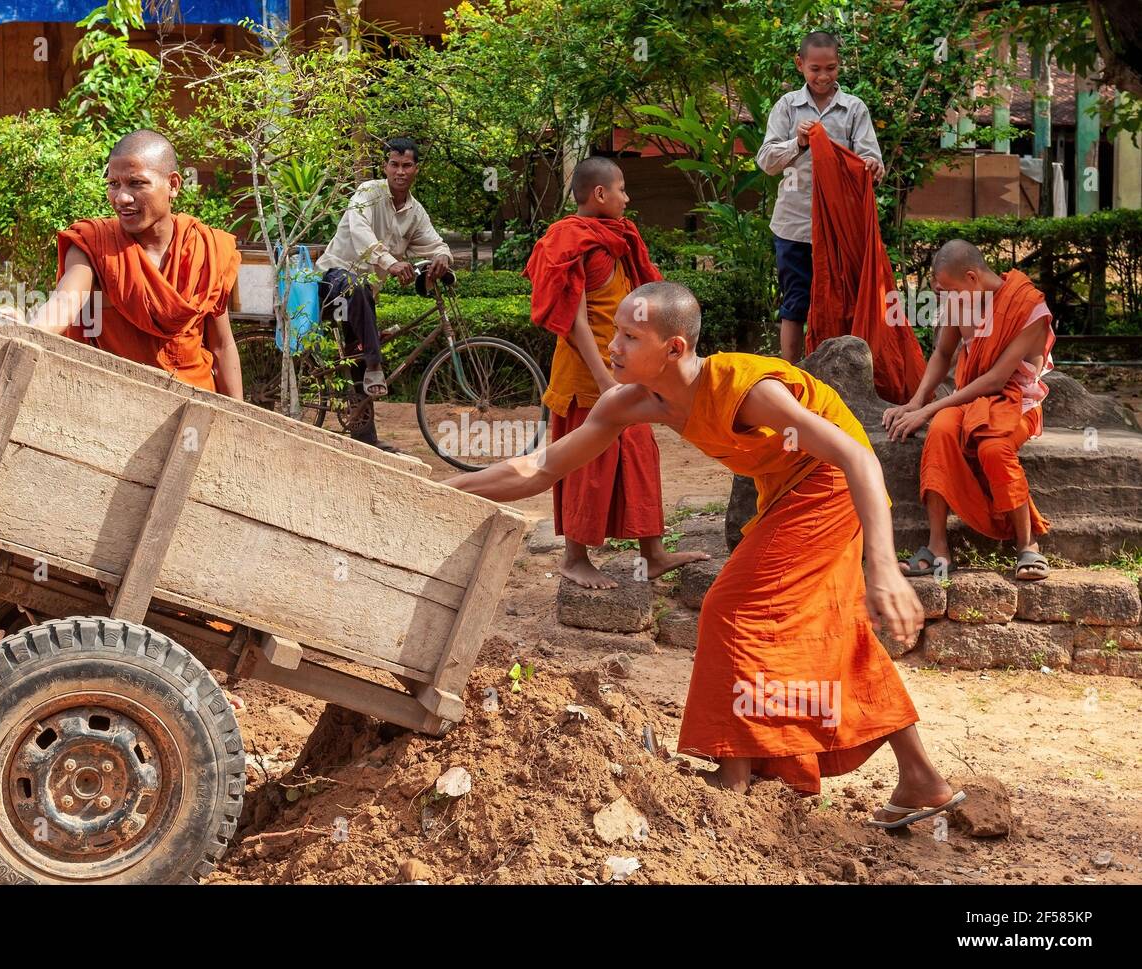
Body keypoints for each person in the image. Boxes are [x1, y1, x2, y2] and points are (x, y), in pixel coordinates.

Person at [447, 280, 964, 825]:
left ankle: (734, 772)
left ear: (675, 348)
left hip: (831, 486)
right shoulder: (628, 401)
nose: (612, 347)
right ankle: (921, 780)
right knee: (835, 630)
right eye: (615, 333)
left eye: (628, 336)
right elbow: (542, 467)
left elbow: (858, 459)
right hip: (786, 492)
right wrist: (448, 492)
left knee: (730, 608)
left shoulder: (748, 390)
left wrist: (882, 566)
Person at [525, 156, 704, 588]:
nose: (628, 197)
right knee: (587, 462)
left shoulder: (618, 237)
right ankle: (574, 557)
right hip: (589, 374)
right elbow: (574, 320)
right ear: (600, 194)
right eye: (622, 189)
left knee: (639, 454)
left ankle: (653, 553)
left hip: (626, 368)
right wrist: (605, 378)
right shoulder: (570, 242)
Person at [24, 129, 242, 398]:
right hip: (119, 407)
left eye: (136, 183)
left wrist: (239, 421)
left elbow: (222, 347)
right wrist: (28, 332)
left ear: (173, 185)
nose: (121, 198)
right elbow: (64, 303)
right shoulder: (93, 244)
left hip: (193, 404)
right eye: (113, 184)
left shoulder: (205, 248)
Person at [885, 239, 1056, 581]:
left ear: (972, 278)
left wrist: (932, 406)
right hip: (968, 398)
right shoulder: (961, 301)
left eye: (948, 289)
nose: (945, 298)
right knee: (940, 430)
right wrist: (917, 402)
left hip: (1014, 402)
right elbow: (942, 355)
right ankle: (937, 549)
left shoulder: (1028, 307)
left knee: (993, 447)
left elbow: (995, 380)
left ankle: (1027, 545)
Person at [315, 137, 453, 450]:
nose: (400, 171)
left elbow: (434, 242)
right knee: (359, 289)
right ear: (385, 167)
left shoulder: (414, 213)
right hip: (333, 280)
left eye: (407, 165)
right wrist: (389, 262)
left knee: (358, 353)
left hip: (362, 297)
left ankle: (366, 440)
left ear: (416, 169)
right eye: (394, 164)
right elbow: (359, 230)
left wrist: (443, 256)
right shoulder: (368, 193)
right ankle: (376, 365)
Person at [756, 30, 884, 365]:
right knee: (795, 304)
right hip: (794, 226)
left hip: (841, 229)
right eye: (815, 69)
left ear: (839, 65)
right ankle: (790, 375)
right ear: (800, 64)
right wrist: (796, 144)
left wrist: (871, 165)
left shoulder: (854, 109)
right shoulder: (787, 108)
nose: (823, 76)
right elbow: (766, 161)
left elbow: (872, 161)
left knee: (841, 303)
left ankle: (838, 376)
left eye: (830, 68)